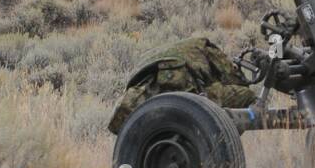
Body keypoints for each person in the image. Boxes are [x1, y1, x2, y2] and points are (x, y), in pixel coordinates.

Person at [107, 36, 256, 135]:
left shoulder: (157, 54)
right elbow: (233, 77)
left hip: (149, 104)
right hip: (189, 100)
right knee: (247, 95)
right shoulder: (204, 45)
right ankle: (222, 144)